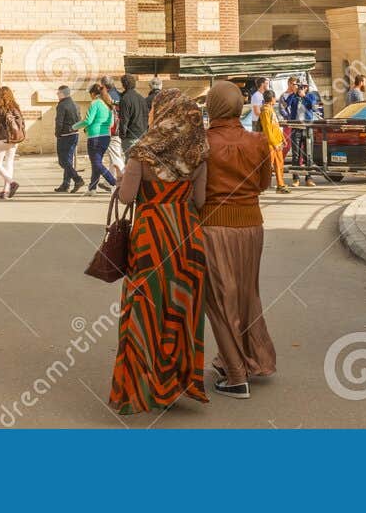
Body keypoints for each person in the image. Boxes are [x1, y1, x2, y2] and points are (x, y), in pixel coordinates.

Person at [109, 88, 209, 415]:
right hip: (187, 236)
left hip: (151, 237)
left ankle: (141, 387)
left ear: (161, 114)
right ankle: (177, 383)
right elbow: (199, 202)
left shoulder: (141, 153)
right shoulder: (198, 153)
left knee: (145, 308)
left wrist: (121, 178)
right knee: (182, 310)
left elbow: (125, 198)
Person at [199, 80, 277, 399]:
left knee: (218, 300)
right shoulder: (258, 141)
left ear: (212, 106)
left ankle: (235, 375)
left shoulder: (202, 143)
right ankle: (245, 358)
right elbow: (263, 183)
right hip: (252, 224)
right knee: (246, 294)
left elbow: (197, 193)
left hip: (213, 225)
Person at [0, 86, 25, 199]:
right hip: (14, 139)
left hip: (2, 139)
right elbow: (22, 124)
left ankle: (11, 182)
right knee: (9, 163)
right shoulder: (16, 108)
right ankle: (6, 191)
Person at [82, 84, 116, 192]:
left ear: (92, 94)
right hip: (106, 137)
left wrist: (74, 127)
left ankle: (114, 182)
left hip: (94, 137)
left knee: (96, 163)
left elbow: (87, 121)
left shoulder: (95, 103)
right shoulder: (108, 103)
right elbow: (111, 123)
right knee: (96, 162)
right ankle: (92, 188)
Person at [52, 85, 84, 193]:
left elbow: (59, 122)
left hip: (64, 136)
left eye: (58, 93)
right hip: (74, 134)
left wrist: (57, 133)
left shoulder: (62, 105)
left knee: (63, 161)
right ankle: (66, 184)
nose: (57, 95)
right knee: (68, 161)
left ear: (62, 94)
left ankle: (77, 179)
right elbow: (79, 120)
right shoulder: (76, 105)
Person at [259, 89, 288, 193]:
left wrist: (282, 138)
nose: (275, 99)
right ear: (272, 98)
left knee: (279, 164)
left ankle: (281, 185)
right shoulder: (265, 111)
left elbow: (276, 126)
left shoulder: (271, 109)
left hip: (277, 141)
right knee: (268, 166)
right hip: (271, 143)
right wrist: (274, 143)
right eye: (275, 97)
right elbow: (267, 129)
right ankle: (259, 186)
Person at [116, 73, 149, 157]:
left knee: (130, 163)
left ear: (123, 84)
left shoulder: (125, 99)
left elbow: (124, 119)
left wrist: (122, 135)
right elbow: (146, 117)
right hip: (142, 135)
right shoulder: (141, 98)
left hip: (130, 137)